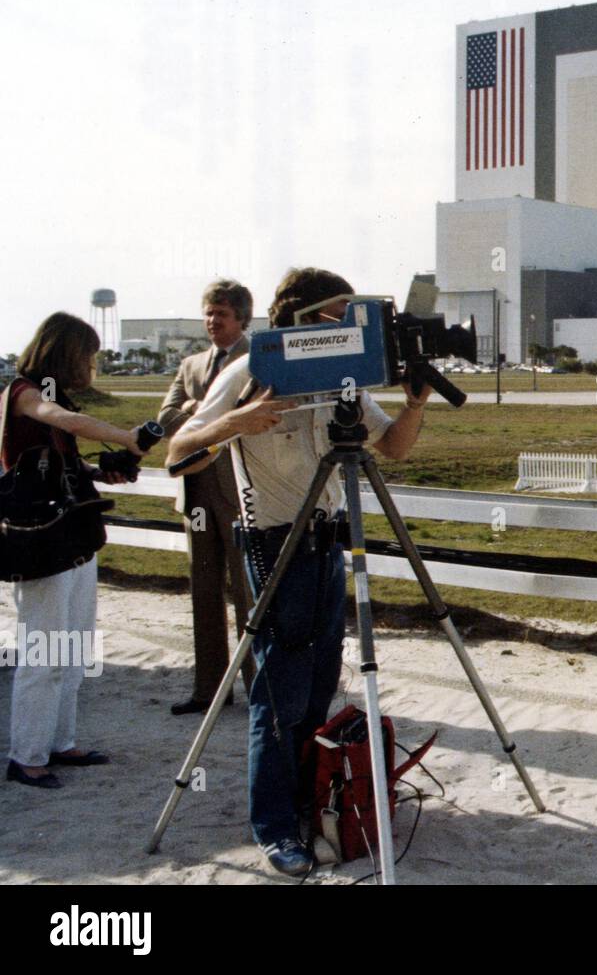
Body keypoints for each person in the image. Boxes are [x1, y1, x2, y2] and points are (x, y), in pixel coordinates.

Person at [166, 268, 432, 876]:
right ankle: (276, 826)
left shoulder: (343, 380)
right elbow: (179, 452)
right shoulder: (249, 371)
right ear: (302, 319)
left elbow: (391, 447)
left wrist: (415, 402)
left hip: (325, 545)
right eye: (333, 315)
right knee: (279, 693)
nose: (344, 327)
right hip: (272, 544)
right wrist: (238, 421)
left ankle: (316, 802)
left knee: (319, 684)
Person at [3, 313, 143, 789]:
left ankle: (59, 741)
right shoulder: (25, 393)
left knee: (74, 643)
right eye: (88, 354)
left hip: (71, 535)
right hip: (41, 540)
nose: (92, 364)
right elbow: (62, 421)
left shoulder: (51, 393)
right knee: (43, 648)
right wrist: (125, 436)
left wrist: (103, 472)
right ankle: (26, 755)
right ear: (65, 351)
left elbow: (61, 460)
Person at [158, 280, 257, 715]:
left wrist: (198, 416)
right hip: (195, 492)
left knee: (249, 593)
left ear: (241, 318)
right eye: (208, 313)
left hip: (239, 493)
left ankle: (259, 688)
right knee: (204, 590)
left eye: (221, 313)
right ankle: (209, 690)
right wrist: (204, 414)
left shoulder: (258, 361)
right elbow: (164, 417)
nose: (212, 321)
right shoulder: (191, 364)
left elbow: (252, 416)